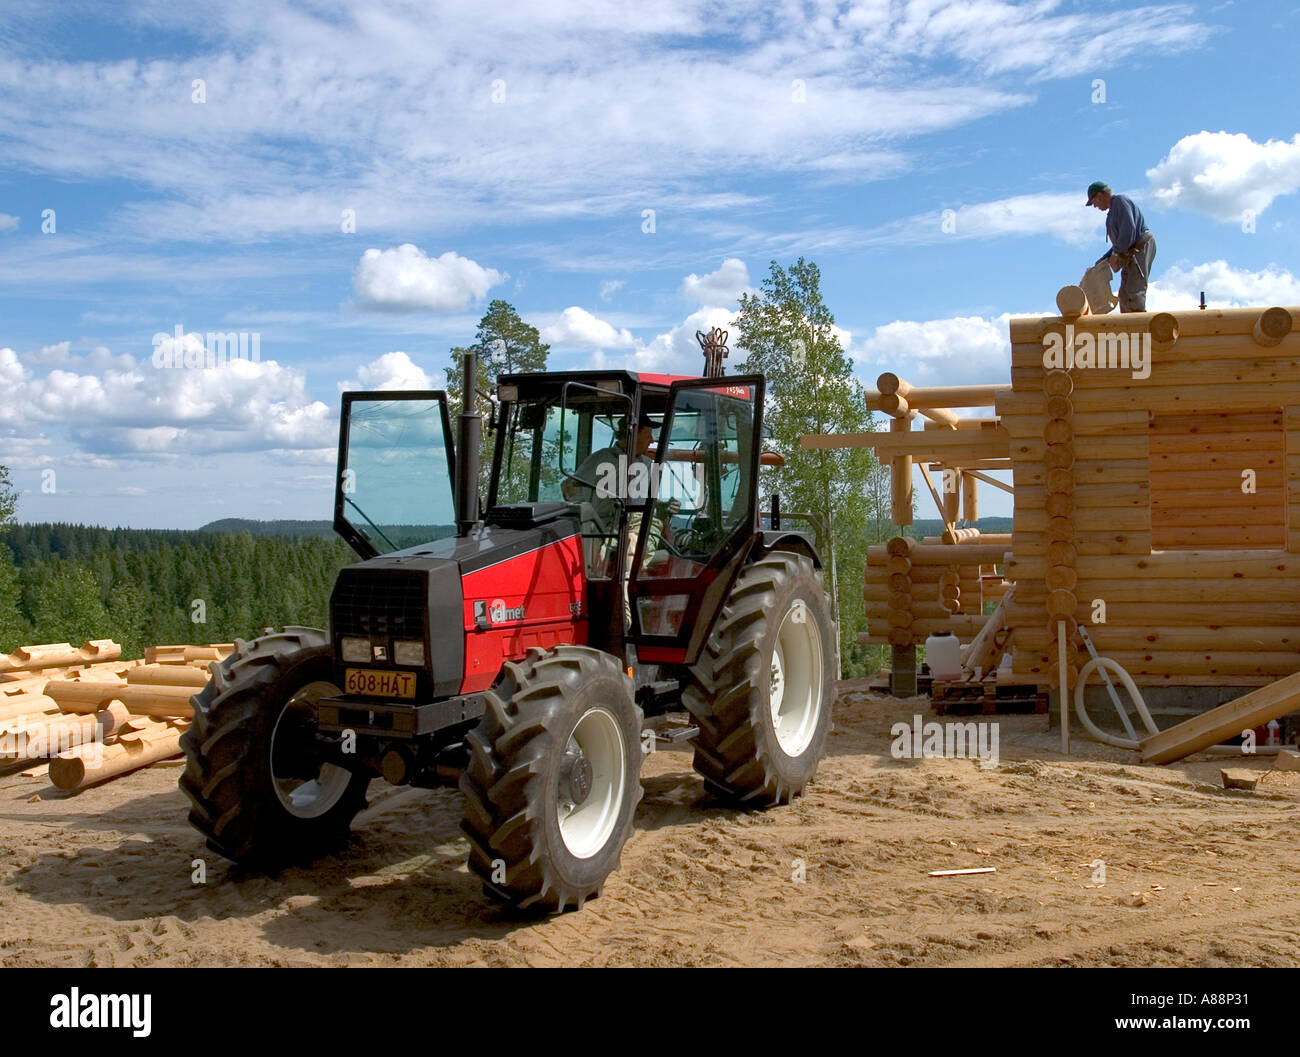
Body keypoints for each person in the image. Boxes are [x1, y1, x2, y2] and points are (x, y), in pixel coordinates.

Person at [1087, 181, 1155, 312]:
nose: (1095, 206)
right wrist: (1105, 258)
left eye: (1093, 202)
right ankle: (1129, 328)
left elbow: (1128, 230)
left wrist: (1116, 254)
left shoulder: (1120, 202)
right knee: (1124, 295)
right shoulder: (1113, 211)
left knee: (1134, 291)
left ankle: (1138, 327)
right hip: (1131, 251)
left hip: (1140, 247)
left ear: (1100, 195)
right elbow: (1120, 241)